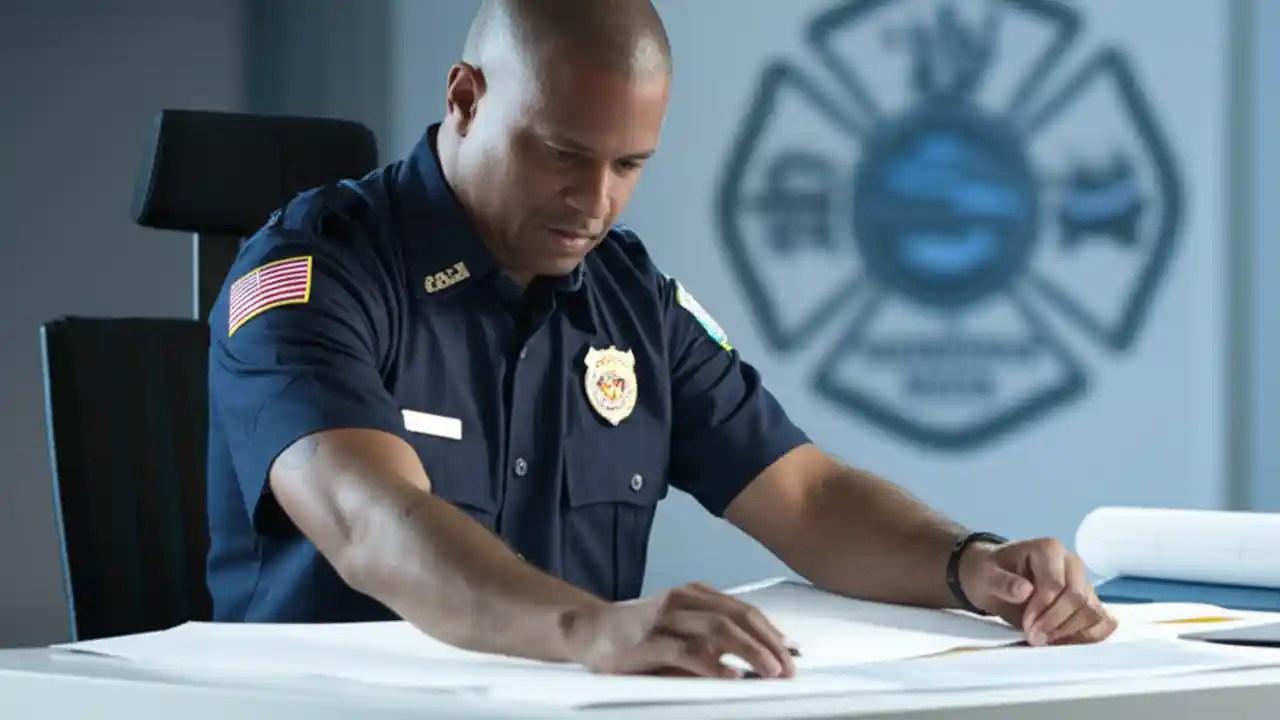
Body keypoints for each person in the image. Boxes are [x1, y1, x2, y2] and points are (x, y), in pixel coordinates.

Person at [205, 0, 1116, 680]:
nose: (595, 202)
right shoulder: (312, 276)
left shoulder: (628, 296)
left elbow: (805, 495)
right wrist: (590, 629)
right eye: (563, 153)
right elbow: (374, 523)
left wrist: (970, 565)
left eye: (629, 164)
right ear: (466, 98)